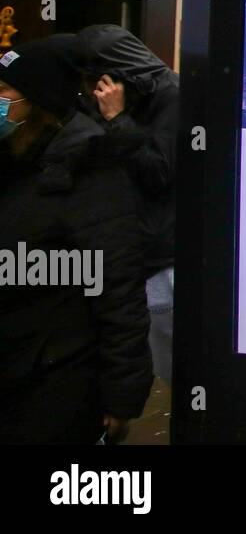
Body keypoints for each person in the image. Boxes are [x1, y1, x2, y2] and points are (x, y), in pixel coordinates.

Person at [0, 38, 153, 443]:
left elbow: (119, 290)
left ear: (37, 102)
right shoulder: (11, 166)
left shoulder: (91, 174)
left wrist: (122, 397)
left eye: (3, 91)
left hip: (56, 382)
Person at [73, 25, 180, 386]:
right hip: (130, 250)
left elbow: (157, 172)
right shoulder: (129, 99)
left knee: (169, 366)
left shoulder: (171, 96)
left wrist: (118, 119)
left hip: (161, 258)